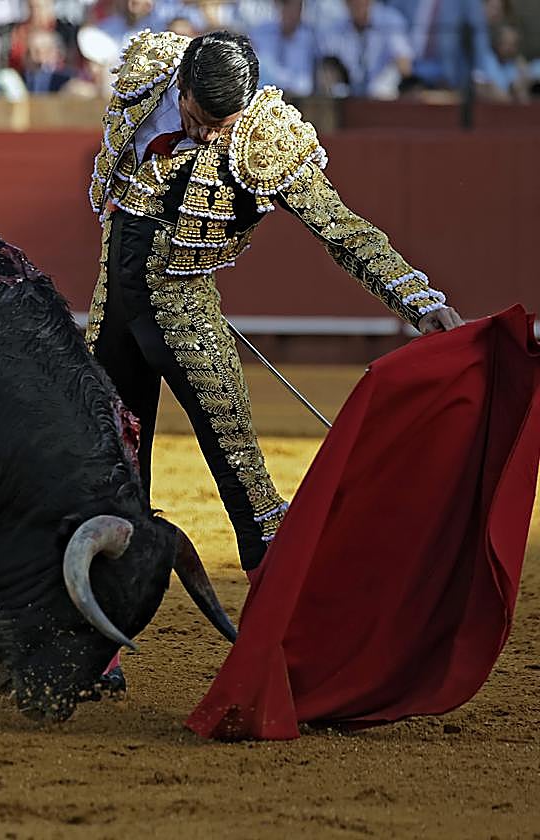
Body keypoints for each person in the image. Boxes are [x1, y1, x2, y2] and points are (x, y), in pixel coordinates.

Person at [87, 28, 464, 690]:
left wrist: (418, 299)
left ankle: (295, 654)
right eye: (202, 118)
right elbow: (111, 185)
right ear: (181, 88)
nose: (211, 135)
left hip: (187, 316)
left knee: (249, 489)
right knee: (105, 477)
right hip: (114, 308)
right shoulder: (146, 75)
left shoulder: (266, 138)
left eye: (223, 124)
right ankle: (99, 651)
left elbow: (342, 231)